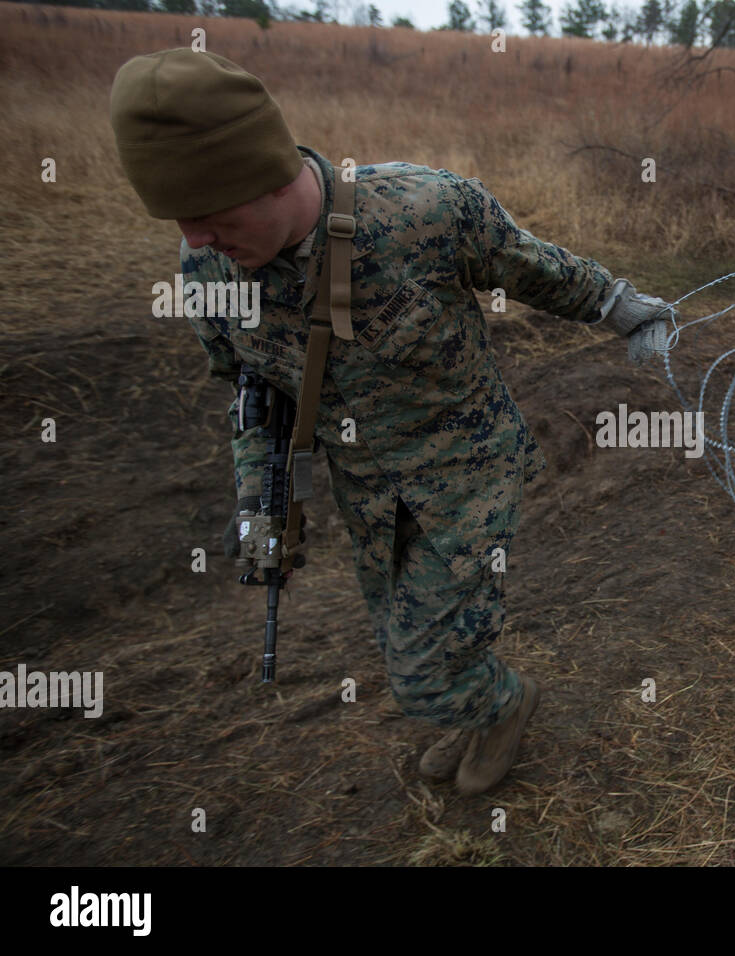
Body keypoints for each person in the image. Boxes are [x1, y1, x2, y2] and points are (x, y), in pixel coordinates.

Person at [109, 49, 672, 796]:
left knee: (418, 671)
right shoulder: (207, 272)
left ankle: (501, 705)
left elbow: (529, 266)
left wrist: (620, 307)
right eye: (181, 222)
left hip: (468, 477)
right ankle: (468, 704)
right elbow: (255, 393)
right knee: (402, 636)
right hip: (368, 498)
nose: (197, 240)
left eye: (211, 218)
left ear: (267, 177)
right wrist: (260, 503)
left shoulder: (425, 211)